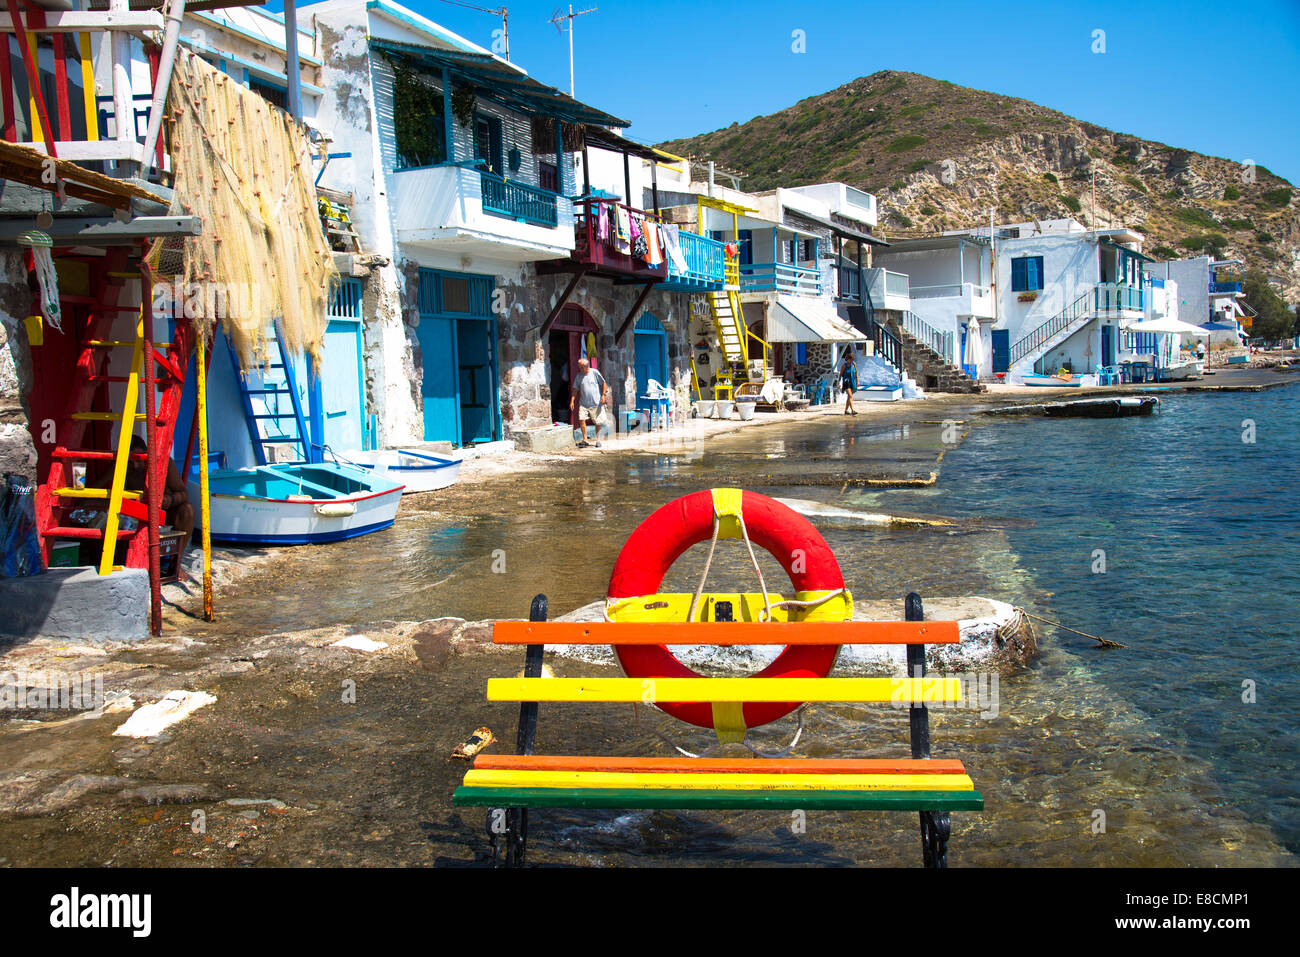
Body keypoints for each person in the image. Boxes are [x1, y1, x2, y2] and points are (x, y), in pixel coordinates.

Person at [570, 357, 610, 447]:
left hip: (596, 403)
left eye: (581, 367)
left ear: (586, 367)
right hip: (583, 403)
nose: (579, 369)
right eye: (579, 367)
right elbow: (575, 389)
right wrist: (572, 401)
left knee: (597, 422)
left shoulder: (594, 372)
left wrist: (603, 395)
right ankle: (585, 439)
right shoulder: (579, 376)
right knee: (581, 419)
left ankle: (598, 440)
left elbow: (603, 383)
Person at [839, 349, 859, 416]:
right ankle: (853, 410)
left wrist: (858, 381)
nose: (852, 361)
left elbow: (856, 373)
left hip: (853, 381)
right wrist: (839, 382)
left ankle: (846, 410)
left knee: (849, 397)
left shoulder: (854, 364)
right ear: (848, 359)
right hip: (846, 382)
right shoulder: (844, 366)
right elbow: (841, 374)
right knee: (850, 395)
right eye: (851, 359)